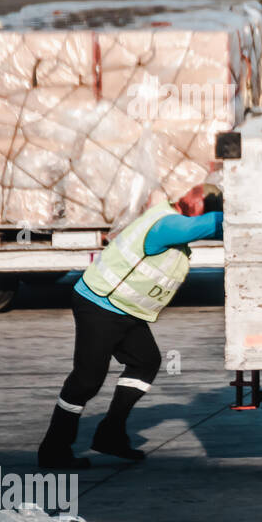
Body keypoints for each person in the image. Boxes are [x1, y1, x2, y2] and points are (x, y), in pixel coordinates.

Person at [37, 184, 224, 468]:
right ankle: (53, 450)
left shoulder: (173, 222)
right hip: (99, 304)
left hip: (123, 309)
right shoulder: (168, 224)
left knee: (146, 361)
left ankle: (110, 434)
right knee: (86, 380)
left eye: (200, 201)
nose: (193, 200)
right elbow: (214, 225)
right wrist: (245, 216)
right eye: (196, 197)